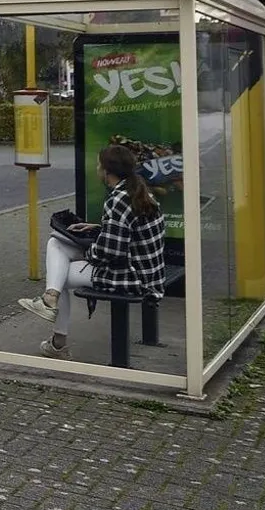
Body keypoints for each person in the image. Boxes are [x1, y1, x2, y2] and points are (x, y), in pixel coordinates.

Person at [16, 144, 168, 359]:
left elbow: (110, 252)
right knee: (56, 243)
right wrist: (96, 228)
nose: (97, 168)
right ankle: (50, 301)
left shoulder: (118, 200)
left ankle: (57, 337)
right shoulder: (139, 192)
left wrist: (84, 250)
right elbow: (128, 231)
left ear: (106, 171)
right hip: (147, 271)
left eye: (99, 164)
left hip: (131, 277)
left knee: (59, 276)